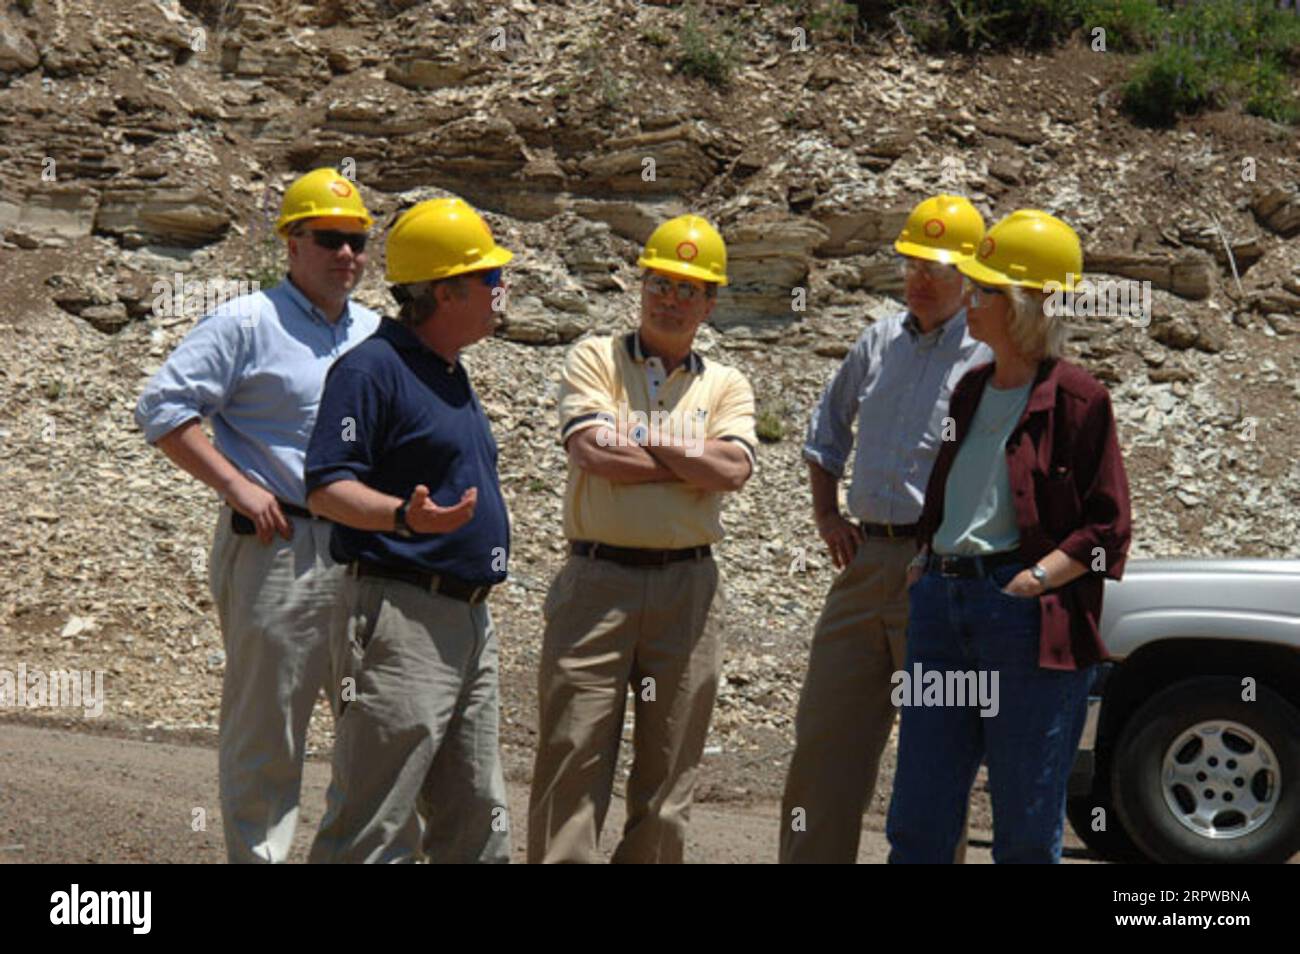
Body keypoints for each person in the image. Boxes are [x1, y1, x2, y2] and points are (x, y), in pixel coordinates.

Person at [134, 167, 378, 863]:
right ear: (291, 243)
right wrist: (236, 486)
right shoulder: (245, 321)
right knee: (269, 729)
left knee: (374, 724)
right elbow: (163, 409)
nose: (347, 256)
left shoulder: (378, 333)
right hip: (281, 548)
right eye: (330, 239)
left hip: (368, 553)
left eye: (358, 241)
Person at [887, 209, 1132, 864]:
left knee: (1024, 829)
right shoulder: (969, 389)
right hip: (941, 610)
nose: (971, 298)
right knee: (919, 817)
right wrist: (924, 558)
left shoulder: (1080, 399)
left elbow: (1109, 526)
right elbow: (952, 495)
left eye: (988, 289)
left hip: (1024, 622)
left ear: (1028, 303)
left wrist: (1035, 580)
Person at [527, 215, 758, 864]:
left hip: (688, 588)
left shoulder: (727, 385)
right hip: (596, 584)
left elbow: (735, 470)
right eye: (661, 282)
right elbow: (592, 454)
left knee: (670, 771)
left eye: (690, 288)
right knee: (573, 754)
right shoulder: (596, 356)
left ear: (711, 301)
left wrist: (642, 435)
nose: (672, 298)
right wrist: (690, 460)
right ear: (641, 284)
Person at [303, 197, 514, 864]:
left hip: (467, 620)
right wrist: (402, 516)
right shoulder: (372, 368)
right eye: (487, 278)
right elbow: (326, 487)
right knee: (374, 823)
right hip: (399, 616)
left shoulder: (447, 370)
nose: (499, 289)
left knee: (476, 818)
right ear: (445, 291)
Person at [780, 195, 990, 863]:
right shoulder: (876, 341)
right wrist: (825, 515)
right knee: (823, 744)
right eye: (912, 264)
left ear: (970, 277)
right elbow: (824, 434)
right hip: (864, 562)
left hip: (939, 576)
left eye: (938, 267)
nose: (921, 278)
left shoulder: (987, 356)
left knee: (933, 755)